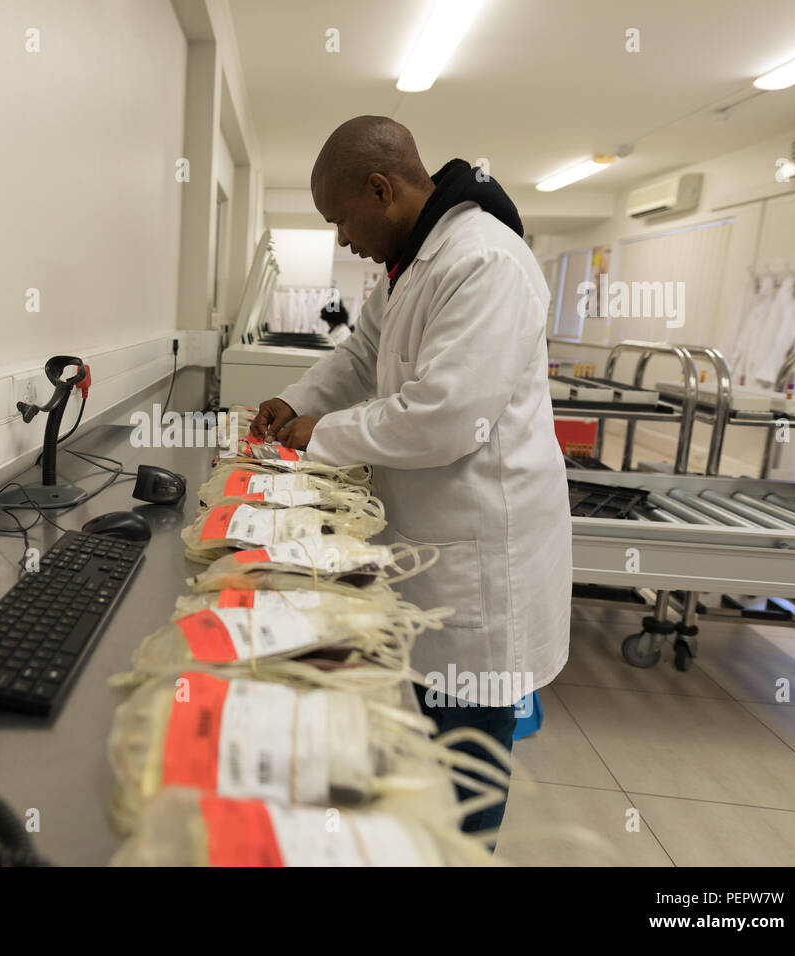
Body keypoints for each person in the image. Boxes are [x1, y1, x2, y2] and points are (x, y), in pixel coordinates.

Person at [249, 116, 572, 838]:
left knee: (469, 761)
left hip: (486, 557)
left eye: (341, 220)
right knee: (438, 729)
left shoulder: (483, 260)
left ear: (380, 188)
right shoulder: (408, 265)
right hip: (438, 546)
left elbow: (445, 416)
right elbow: (361, 357)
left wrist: (317, 435)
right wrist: (297, 401)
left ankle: (469, 853)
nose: (341, 240)